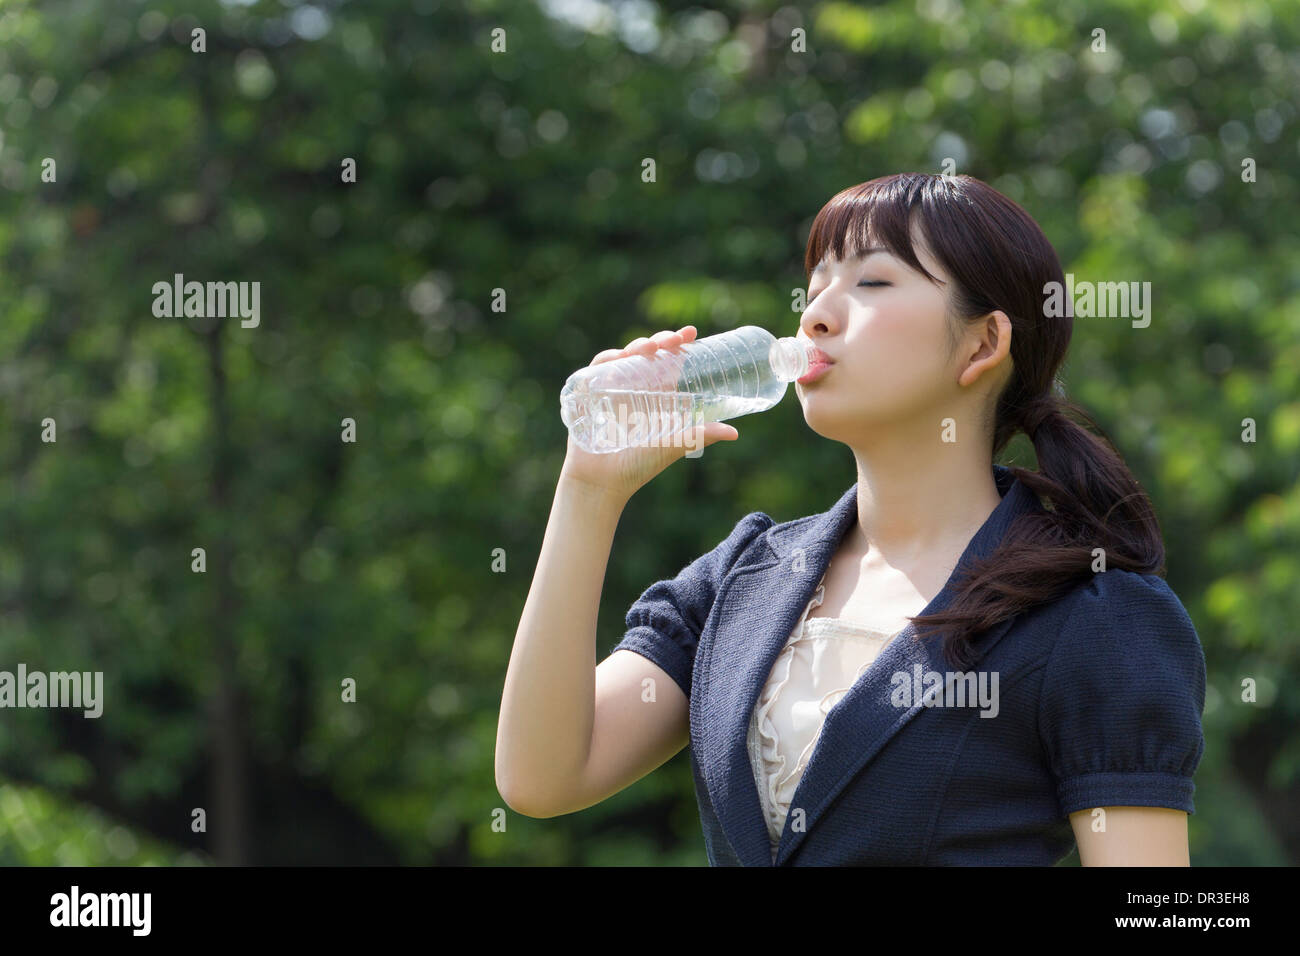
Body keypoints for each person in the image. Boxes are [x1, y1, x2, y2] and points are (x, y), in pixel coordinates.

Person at [496, 172, 1206, 866]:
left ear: (983, 345)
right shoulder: (743, 580)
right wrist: (589, 490)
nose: (816, 316)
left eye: (871, 282)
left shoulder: (1093, 612)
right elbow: (544, 778)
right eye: (814, 290)